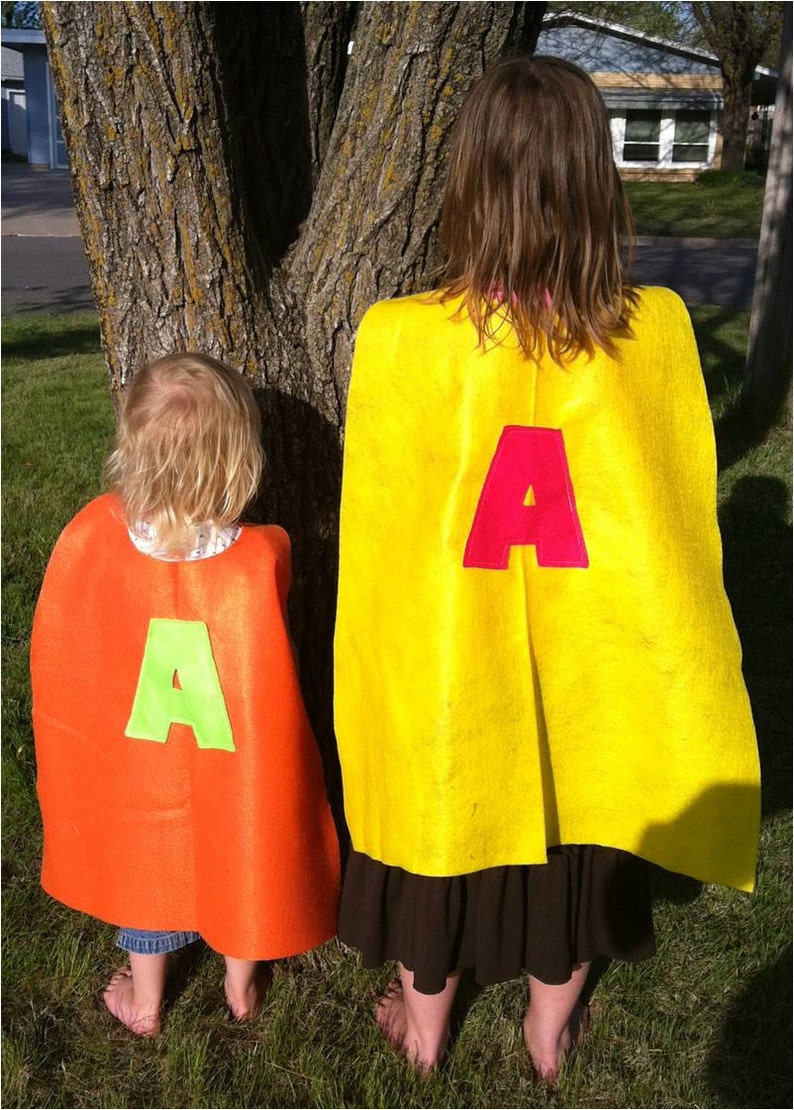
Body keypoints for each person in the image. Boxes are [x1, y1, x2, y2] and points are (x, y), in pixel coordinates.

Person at [333, 57, 760, 1080]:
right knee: (582, 832)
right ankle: (548, 1027)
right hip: (591, 672)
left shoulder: (397, 339)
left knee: (438, 825)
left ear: (468, 183)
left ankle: (426, 1026)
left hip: (449, 673)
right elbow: (662, 518)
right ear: (594, 180)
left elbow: (384, 533)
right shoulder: (649, 332)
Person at [31, 353, 340, 1037]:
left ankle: (145, 1002)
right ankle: (241, 984)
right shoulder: (262, 557)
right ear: (238, 463)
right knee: (242, 853)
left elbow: (78, 643)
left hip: (140, 760)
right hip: (233, 759)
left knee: (147, 867)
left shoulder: (92, 535)